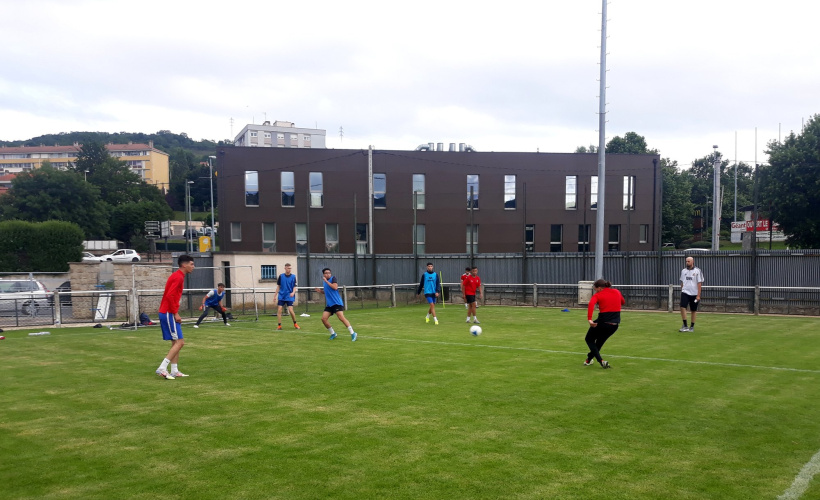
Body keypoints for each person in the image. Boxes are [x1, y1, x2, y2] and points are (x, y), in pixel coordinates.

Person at [155, 255, 195, 380]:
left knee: (176, 342)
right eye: (192, 264)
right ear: (184, 265)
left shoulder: (178, 276)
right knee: (180, 342)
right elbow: (170, 296)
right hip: (168, 312)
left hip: (169, 312)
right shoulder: (178, 277)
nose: (193, 267)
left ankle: (174, 370)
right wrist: (175, 313)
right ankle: (162, 368)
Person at [584, 278, 624, 369]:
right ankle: (588, 360)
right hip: (614, 325)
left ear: (599, 288)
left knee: (589, 339)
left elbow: (591, 304)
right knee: (599, 343)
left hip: (602, 322)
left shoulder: (598, 295)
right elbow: (623, 302)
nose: (595, 291)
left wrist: (590, 319)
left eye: (595, 289)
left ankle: (601, 361)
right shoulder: (616, 292)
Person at [314, 267, 357, 341]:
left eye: (329, 273)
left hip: (337, 303)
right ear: (323, 275)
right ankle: (333, 333)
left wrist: (327, 282)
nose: (328, 274)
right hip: (330, 304)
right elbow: (327, 291)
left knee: (341, 317)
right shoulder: (324, 282)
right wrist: (320, 291)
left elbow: (335, 287)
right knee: (323, 319)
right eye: (326, 273)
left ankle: (353, 333)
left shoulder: (333, 279)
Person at [679, 256, 704, 332]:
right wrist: (682, 289)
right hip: (685, 292)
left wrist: (698, 295)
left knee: (693, 310)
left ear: (692, 262)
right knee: (682, 307)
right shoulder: (683, 271)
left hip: (694, 293)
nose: (687, 263)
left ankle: (692, 326)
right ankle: (685, 325)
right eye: (686, 261)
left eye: (688, 261)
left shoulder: (697, 271)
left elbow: (699, 284)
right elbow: (682, 282)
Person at [275, 263, 300, 330]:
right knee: (279, 310)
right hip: (281, 296)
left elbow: (294, 287)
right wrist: (275, 296)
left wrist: (293, 292)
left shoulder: (293, 277)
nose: (289, 269)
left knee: (291, 310)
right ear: (285, 268)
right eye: (288, 268)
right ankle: (279, 325)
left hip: (289, 296)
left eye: (290, 268)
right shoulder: (281, 276)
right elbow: (278, 286)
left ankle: (295, 323)